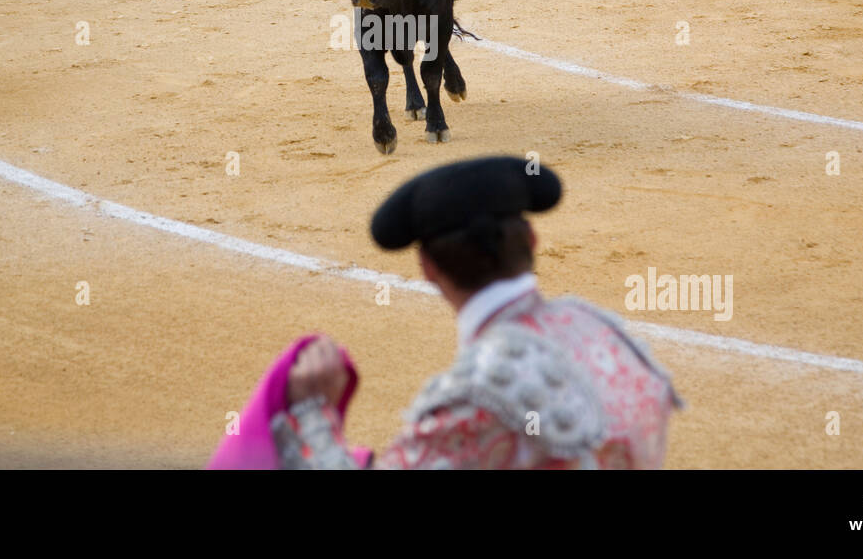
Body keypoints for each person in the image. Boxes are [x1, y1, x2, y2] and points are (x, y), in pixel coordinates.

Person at [266, 156, 682, 469]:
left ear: (427, 268)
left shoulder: (475, 397)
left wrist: (311, 414)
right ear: (533, 240)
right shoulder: (604, 331)